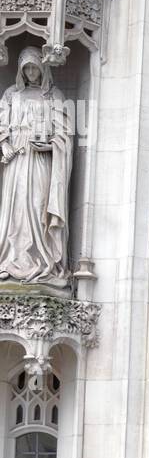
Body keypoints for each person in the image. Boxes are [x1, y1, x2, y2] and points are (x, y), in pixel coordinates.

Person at [0, 45, 73, 285]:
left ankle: (41, 259)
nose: (31, 72)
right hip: (17, 158)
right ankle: (11, 258)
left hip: (41, 158)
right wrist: (5, 145)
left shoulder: (54, 95)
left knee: (37, 203)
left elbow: (64, 133)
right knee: (15, 207)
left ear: (42, 68)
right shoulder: (11, 94)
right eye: (27, 68)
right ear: (21, 70)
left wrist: (51, 146)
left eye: (34, 67)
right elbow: (1, 125)